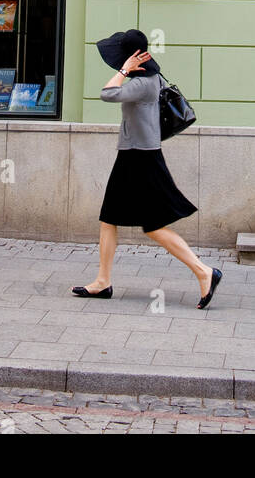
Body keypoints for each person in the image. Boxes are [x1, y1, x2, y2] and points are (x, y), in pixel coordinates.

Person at [71, 28, 222, 309]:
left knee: (153, 226)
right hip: (132, 155)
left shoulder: (143, 83)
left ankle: (204, 272)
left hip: (141, 159)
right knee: (109, 218)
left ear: (131, 58)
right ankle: (103, 281)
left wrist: (125, 70)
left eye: (123, 58)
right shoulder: (148, 79)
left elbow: (107, 93)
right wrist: (129, 69)